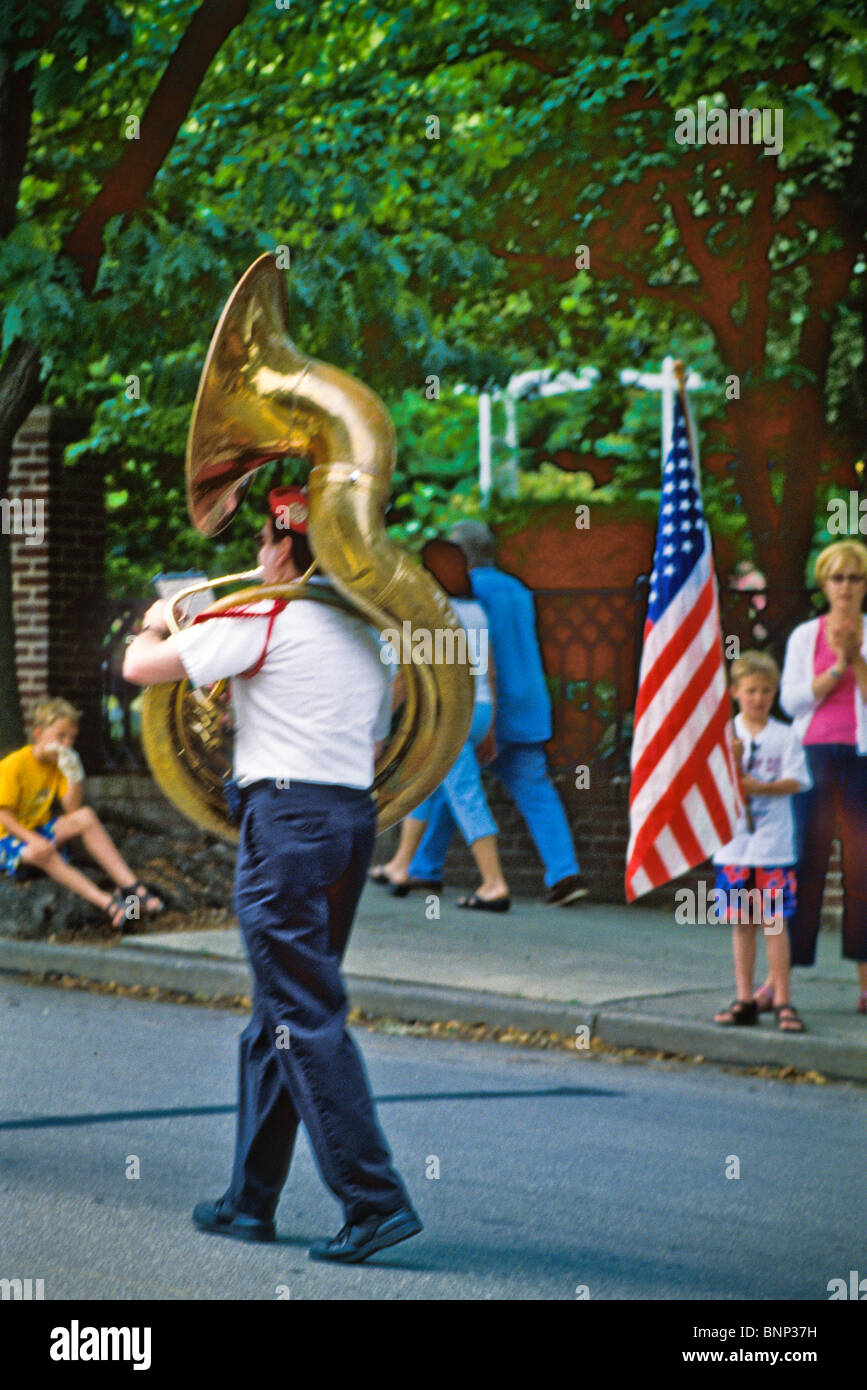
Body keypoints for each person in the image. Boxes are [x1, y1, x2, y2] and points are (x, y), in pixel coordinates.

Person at [122, 487, 422, 1263]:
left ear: (286, 548)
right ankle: (250, 1200)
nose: (255, 556)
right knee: (276, 1017)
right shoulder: (365, 635)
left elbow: (139, 667)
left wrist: (161, 615)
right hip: (348, 822)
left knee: (301, 1012)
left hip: (286, 828)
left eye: (262, 541)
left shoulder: (262, 617)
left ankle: (374, 1199)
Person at [406, 521, 588, 905]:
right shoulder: (518, 589)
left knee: (452, 783)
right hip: (529, 706)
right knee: (533, 790)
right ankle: (565, 873)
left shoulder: (466, 595)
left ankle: (423, 869)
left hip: (486, 706)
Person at [371, 580, 511, 910]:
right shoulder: (476, 609)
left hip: (449, 714)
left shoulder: (429, 612)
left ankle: (494, 883)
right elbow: (489, 672)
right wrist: (489, 726)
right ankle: (401, 865)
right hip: (480, 708)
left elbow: (404, 679)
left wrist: (376, 723)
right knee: (425, 786)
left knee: (465, 795)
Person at [778, 539, 867, 1013]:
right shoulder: (803, 636)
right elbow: (791, 702)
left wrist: (856, 657)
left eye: (856, 578)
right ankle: (784, 978)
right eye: (838, 578)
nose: (847, 587)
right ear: (824, 583)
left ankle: (865, 983)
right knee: (804, 864)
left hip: (861, 756)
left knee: (862, 868)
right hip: (812, 755)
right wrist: (836, 666)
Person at [0, 696, 163, 928]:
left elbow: (72, 809)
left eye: (71, 738)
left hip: (37, 832)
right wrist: (33, 840)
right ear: (38, 734)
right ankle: (108, 903)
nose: (66, 744)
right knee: (42, 851)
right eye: (60, 736)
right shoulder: (13, 764)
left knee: (85, 816)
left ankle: (133, 891)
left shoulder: (57, 765)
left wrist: (74, 775)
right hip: (6, 840)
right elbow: (3, 815)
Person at [711, 653, 810, 1032]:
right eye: (751, 690)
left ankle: (783, 998)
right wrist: (730, 766)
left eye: (766, 691)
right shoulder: (725, 736)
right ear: (735, 692)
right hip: (735, 847)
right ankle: (744, 997)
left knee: (774, 922)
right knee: (742, 923)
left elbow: (796, 781)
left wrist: (758, 787)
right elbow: (711, 786)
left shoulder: (785, 737)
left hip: (773, 847)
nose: (758, 698)